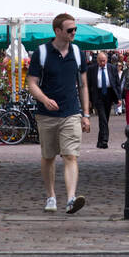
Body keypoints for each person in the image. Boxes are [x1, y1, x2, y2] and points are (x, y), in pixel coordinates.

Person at [26, 12, 90, 214]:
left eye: (75, 29)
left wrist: (86, 114)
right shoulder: (42, 52)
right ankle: (51, 196)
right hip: (46, 115)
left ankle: (71, 198)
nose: (74, 33)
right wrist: (44, 99)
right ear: (57, 31)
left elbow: (83, 85)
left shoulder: (78, 52)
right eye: (70, 30)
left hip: (71, 112)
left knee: (71, 155)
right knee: (48, 157)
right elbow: (32, 83)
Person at [86, 50, 121, 148]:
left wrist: (119, 97)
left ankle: (99, 141)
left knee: (106, 118)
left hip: (109, 94)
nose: (102, 63)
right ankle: (105, 140)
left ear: (107, 60)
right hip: (98, 95)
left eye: (104, 61)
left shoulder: (112, 68)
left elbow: (117, 83)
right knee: (102, 118)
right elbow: (88, 85)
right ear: (97, 60)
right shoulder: (92, 69)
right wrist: (88, 99)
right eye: (100, 61)